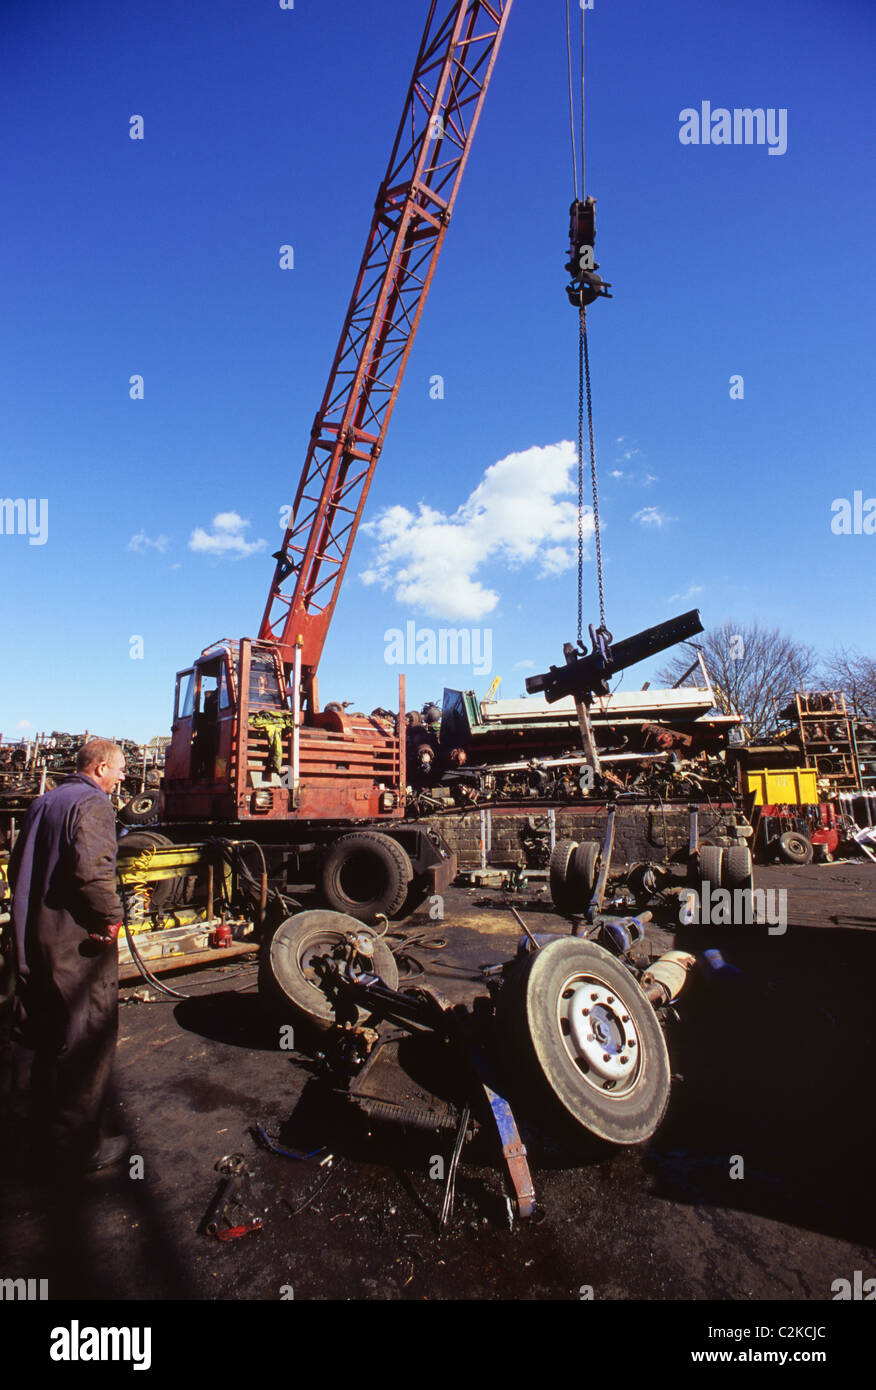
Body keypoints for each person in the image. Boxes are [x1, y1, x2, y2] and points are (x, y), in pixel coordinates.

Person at [7, 738, 129, 1173]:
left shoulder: (44, 803)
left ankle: (22, 1127)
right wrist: (110, 918)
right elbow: (93, 873)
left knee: (32, 1031)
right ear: (99, 768)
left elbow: (19, 863)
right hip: (73, 944)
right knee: (86, 1037)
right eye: (118, 770)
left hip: (32, 938)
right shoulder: (95, 805)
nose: (122, 778)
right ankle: (78, 1147)